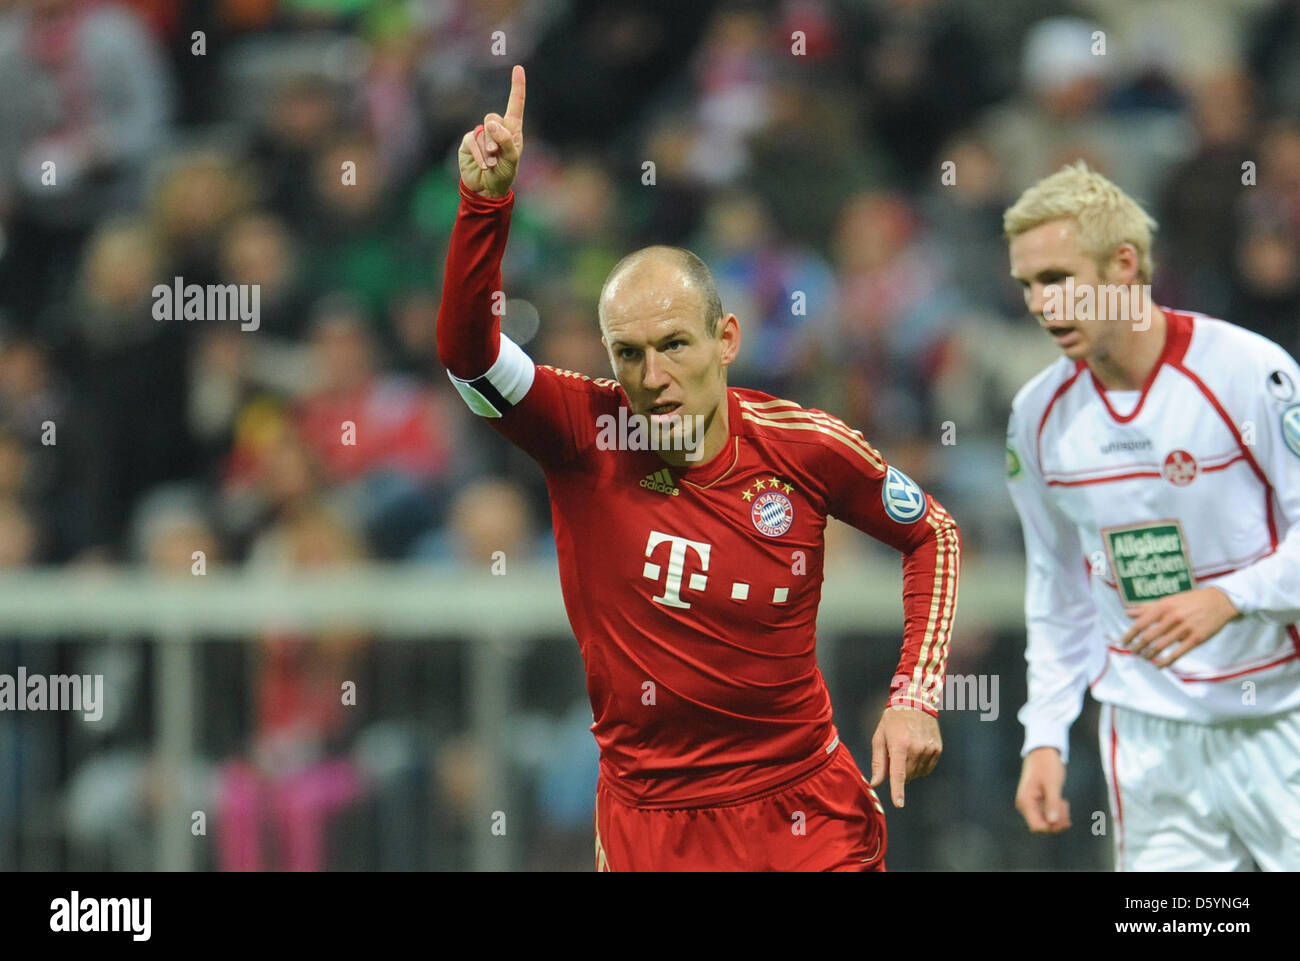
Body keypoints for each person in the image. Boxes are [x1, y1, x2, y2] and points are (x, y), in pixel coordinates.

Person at [436, 66, 959, 872]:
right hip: (654, 827)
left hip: (803, 811)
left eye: (675, 344)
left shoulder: (804, 446)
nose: (653, 376)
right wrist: (485, 206)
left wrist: (915, 694)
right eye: (629, 354)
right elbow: (468, 356)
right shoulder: (584, 431)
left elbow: (933, 533)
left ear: (727, 340)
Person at [1005, 160, 1300, 870]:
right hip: (1146, 740)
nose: (1042, 304)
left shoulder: (1248, 373)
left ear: (1124, 264)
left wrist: (1231, 596)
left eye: (1058, 278)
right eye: (1027, 285)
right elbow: (1056, 585)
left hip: (1279, 716)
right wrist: (1044, 732)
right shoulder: (1037, 417)